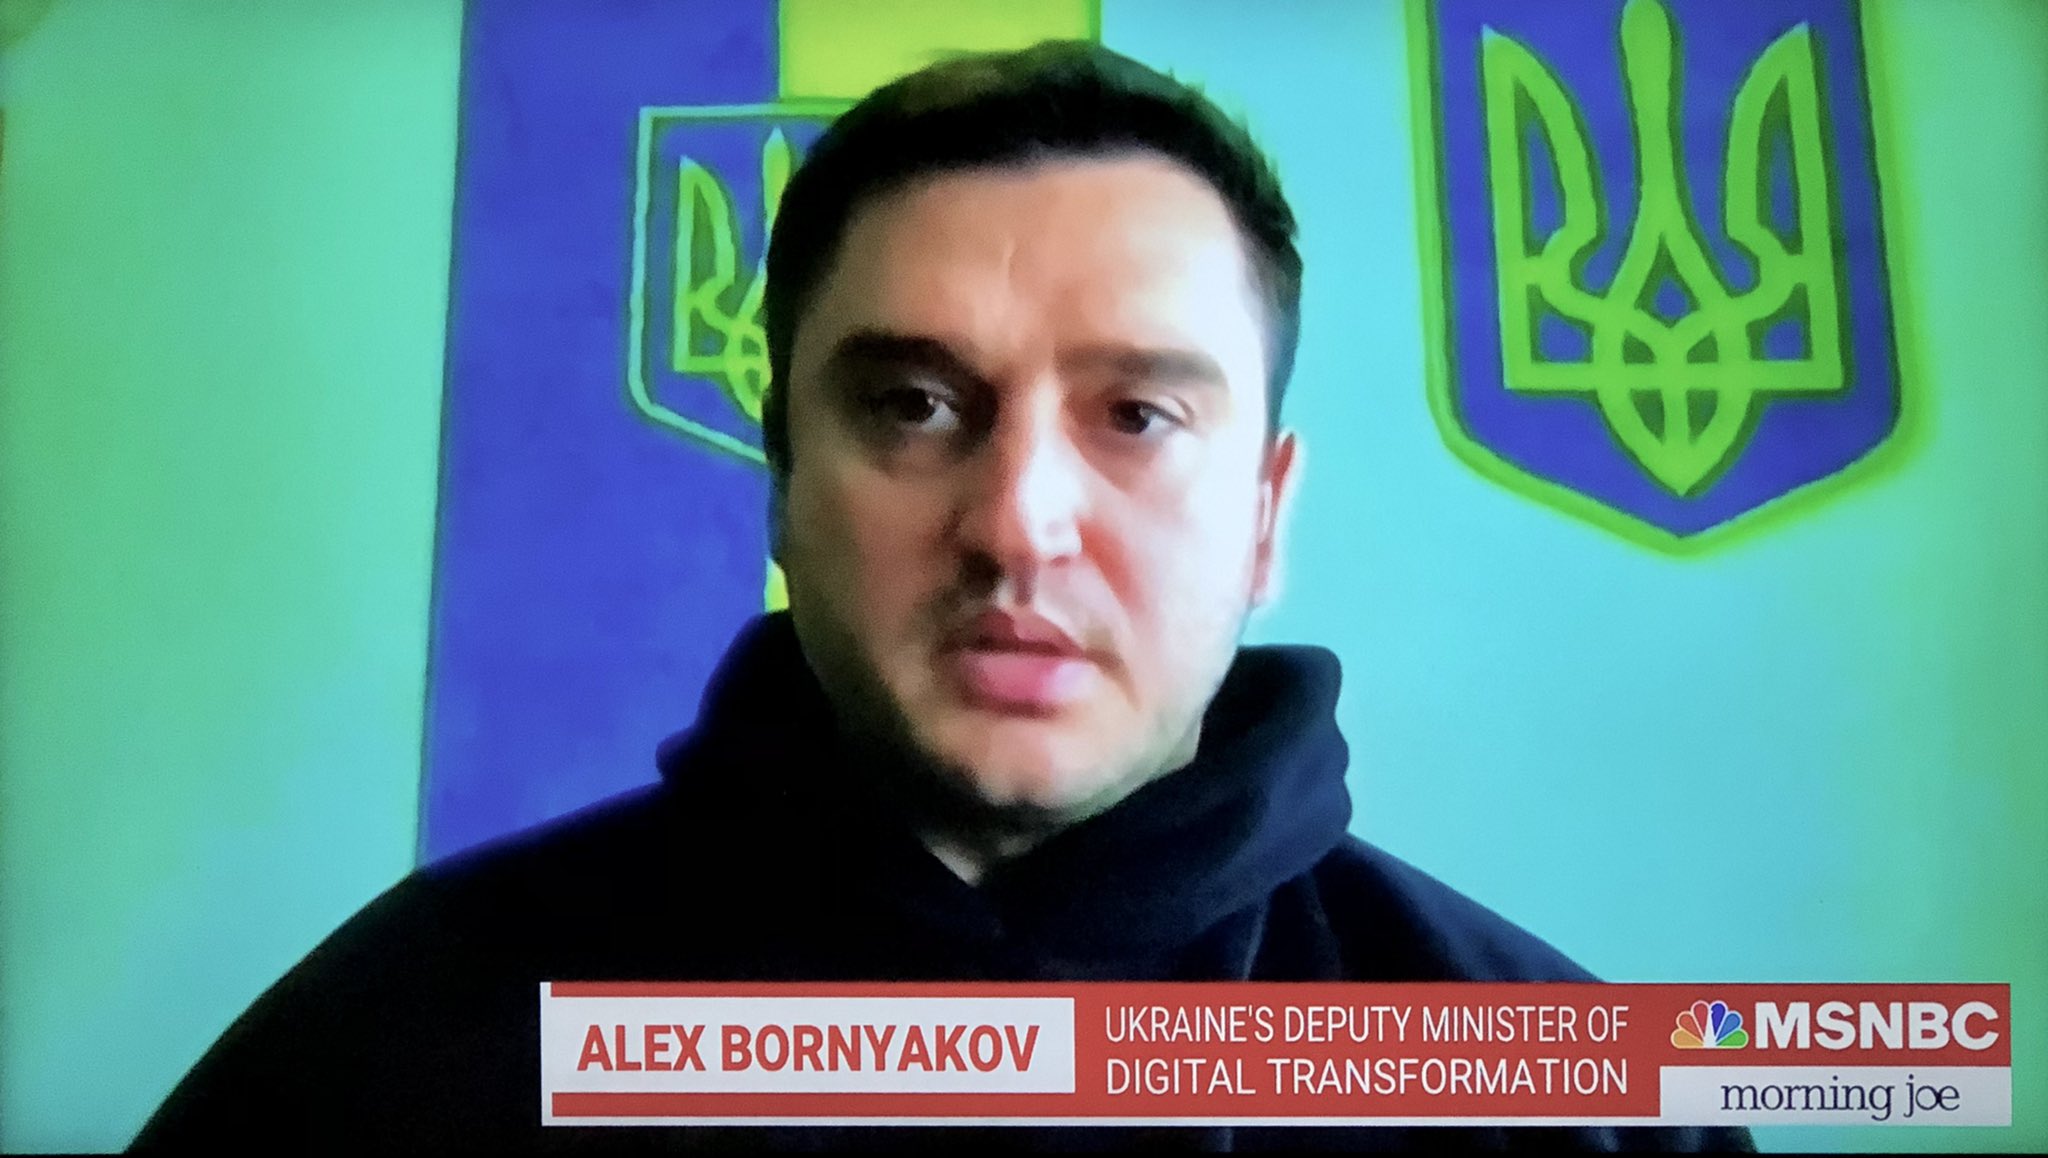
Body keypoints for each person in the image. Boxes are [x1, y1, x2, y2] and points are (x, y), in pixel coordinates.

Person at [135, 41, 1751, 1152]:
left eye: (1137, 415)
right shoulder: (400, 1048)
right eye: (915, 405)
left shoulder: (1586, 1102)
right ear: (782, 480)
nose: (1019, 524)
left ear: (1264, 516)